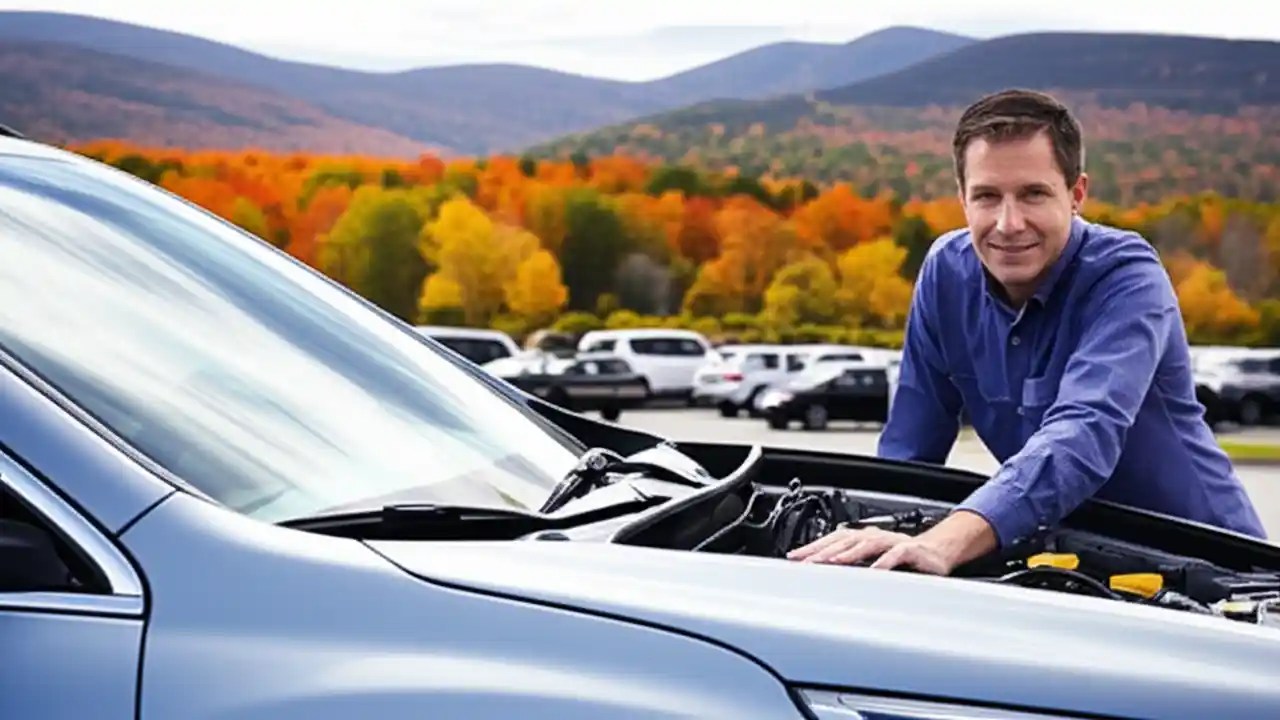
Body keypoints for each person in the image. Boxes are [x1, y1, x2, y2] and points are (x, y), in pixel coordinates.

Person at [787, 88, 1267, 574]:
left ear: (1077, 194)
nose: (1008, 223)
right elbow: (910, 451)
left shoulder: (1127, 276)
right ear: (962, 199)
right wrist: (880, 530)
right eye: (987, 196)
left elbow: (1082, 435)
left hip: (1211, 571)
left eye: (1033, 194)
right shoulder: (944, 274)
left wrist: (947, 540)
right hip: (1068, 563)